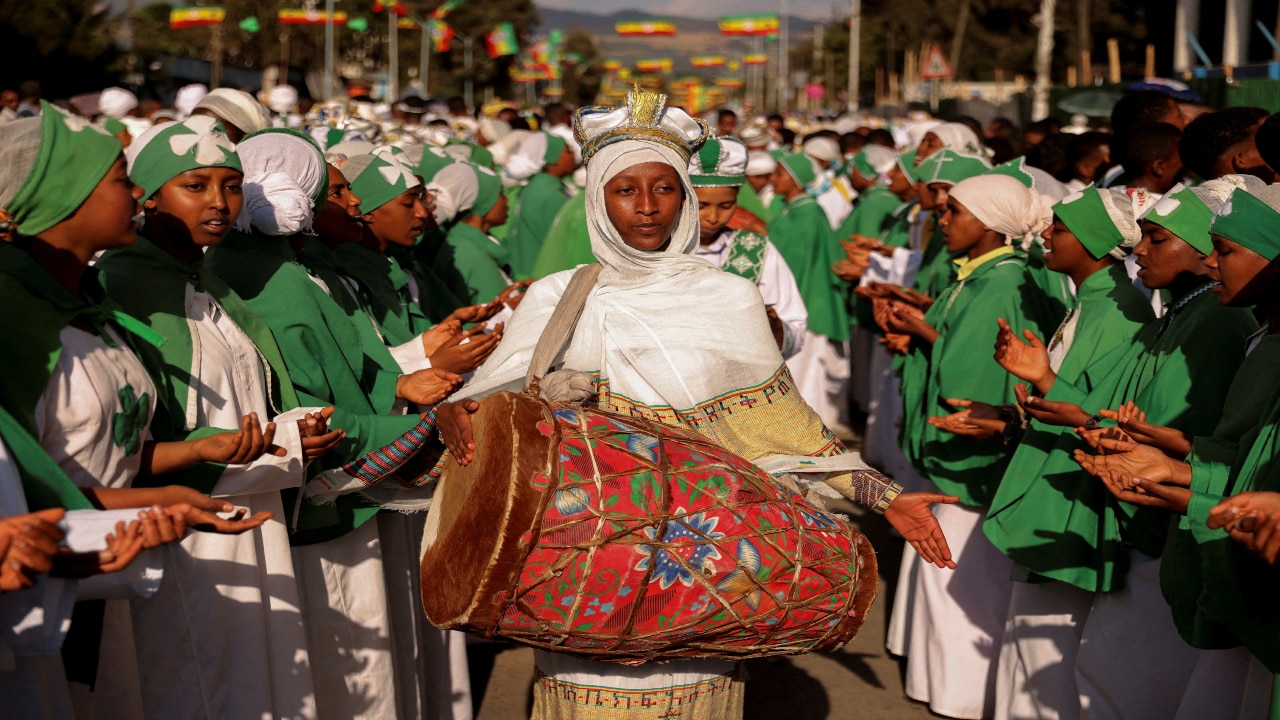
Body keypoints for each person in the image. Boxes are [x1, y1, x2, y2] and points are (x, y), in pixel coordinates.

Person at [435, 90, 957, 720]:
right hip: (581, 564)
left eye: (665, 188)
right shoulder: (558, 298)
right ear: (597, 199)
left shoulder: (730, 297)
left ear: (684, 195)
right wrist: (456, 411)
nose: (647, 206)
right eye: (625, 189)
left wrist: (886, 498)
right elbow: (491, 410)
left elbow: (785, 432)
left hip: (705, 564)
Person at [204, 129, 462, 719]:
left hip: (321, 482)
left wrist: (399, 384)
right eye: (334, 191)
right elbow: (308, 402)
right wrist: (416, 425)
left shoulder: (278, 269)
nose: (352, 203)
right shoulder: (280, 281)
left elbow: (344, 370)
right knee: (354, 665)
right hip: (326, 493)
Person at [96, 114, 344, 720]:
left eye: (232, 185)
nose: (219, 202)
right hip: (182, 526)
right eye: (195, 185)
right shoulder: (123, 287)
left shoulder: (207, 281)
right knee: (194, 677)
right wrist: (242, 445)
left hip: (253, 509)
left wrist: (287, 433)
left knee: (257, 675)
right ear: (149, 196)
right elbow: (139, 433)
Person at [986, 182, 1257, 720]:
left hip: (1164, 522)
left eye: (1157, 239)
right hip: (1141, 510)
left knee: (1122, 684)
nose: (1138, 249)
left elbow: (1186, 435)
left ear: (1202, 251)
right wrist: (1050, 384)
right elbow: (1125, 413)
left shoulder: (1215, 321)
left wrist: (1087, 417)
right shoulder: (1181, 312)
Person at [1074, 181, 1280, 717]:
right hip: (1229, 555)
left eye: (1225, 249)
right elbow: (1245, 459)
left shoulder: (1219, 320)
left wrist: (1181, 481)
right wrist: (1173, 461)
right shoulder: (1238, 324)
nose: (1212, 262)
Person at [885, 174, 1060, 719]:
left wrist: (923, 336)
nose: (942, 220)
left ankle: (961, 696)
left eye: (953, 212)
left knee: (964, 584)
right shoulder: (980, 274)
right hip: (961, 457)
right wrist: (919, 328)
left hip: (970, 458)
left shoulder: (1001, 283)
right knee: (955, 580)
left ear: (987, 224)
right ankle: (952, 690)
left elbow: (969, 376)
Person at [689, 136, 807, 359]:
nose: (713, 217)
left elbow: (795, 326)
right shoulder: (660, 251)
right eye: (701, 206)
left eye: (726, 206)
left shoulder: (756, 250)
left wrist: (775, 327)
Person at [767, 152, 851, 428]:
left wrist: (783, 306)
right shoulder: (793, 209)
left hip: (806, 302)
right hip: (801, 301)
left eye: (780, 174)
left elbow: (796, 268)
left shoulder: (806, 216)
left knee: (804, 372)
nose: (773, 179)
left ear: (796, 179)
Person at [503, 131, 575, 280]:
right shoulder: (551, 194)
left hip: (523, 270)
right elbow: (561, 244)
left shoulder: (535, 186)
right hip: (540, 275)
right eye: (567, 151)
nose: (573, 156)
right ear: (553, 158)